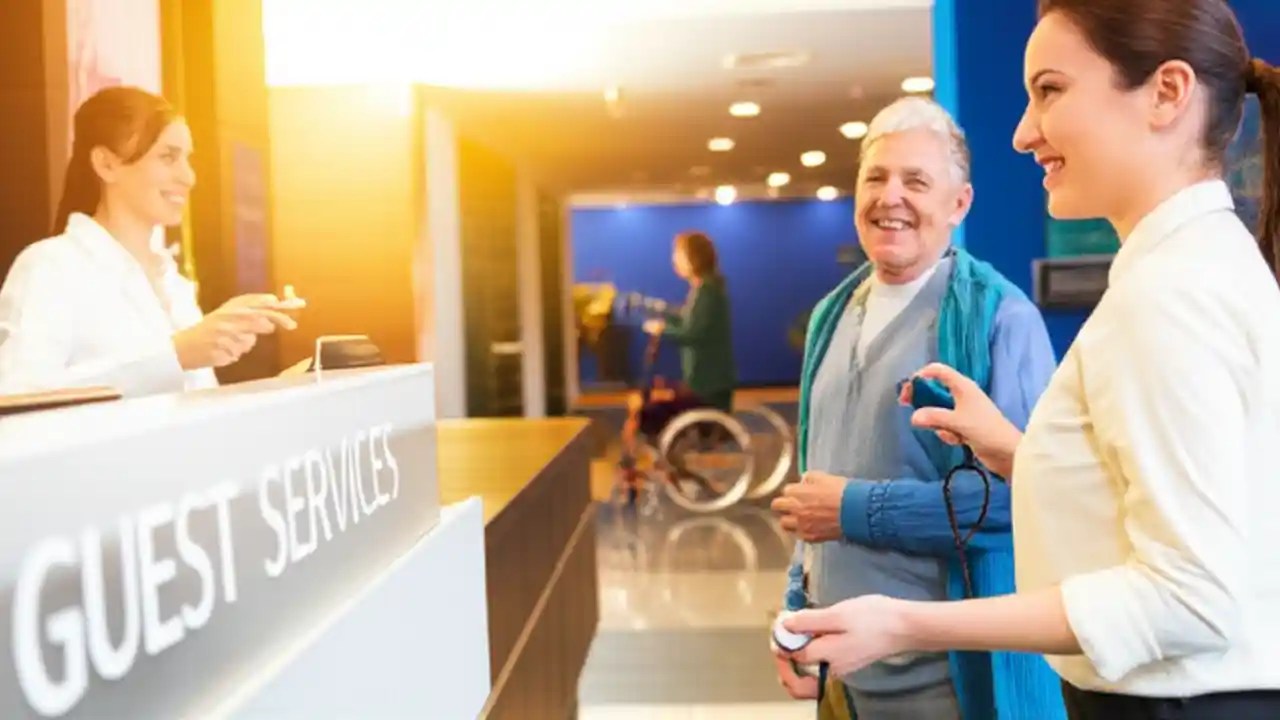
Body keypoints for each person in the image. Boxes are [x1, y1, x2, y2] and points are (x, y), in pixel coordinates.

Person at [780, 1, 1280, 718]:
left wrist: (902, 620)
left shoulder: (1169, 296)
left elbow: (1189, 599)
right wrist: (1019, 452)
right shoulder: (1193, 269)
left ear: (1167, 93)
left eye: (1050, 90)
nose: (1021, 132)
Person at [769, 96, 1063, 720]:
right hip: (843, 680)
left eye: (916, 181)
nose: (890, 197)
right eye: (874, 177)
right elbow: (813, 494)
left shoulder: (999, 320)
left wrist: (854, 510)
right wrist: (797, 611)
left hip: (947, 688)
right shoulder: (831, 315)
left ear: (959, 205)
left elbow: (1023, 501)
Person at [0, 86, 297, 399]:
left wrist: (284, 387)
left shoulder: (174, 283)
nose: (189, 177)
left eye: (187, 159)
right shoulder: (51, 267)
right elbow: (15, 397)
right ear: (106, 164)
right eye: (168, 157)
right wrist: (175, 356)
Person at [618, 231, 736, 498]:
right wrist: (665, 323)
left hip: (706, 389)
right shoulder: (704, 290)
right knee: (645, 399)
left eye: (678, 254)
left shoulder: (707, 292)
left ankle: (670, 470)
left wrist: (661, 328)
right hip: (702, 383)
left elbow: (692, 333)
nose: (674, 259)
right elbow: (686, 321)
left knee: (645, 411)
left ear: (693, 258)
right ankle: (668, 468)